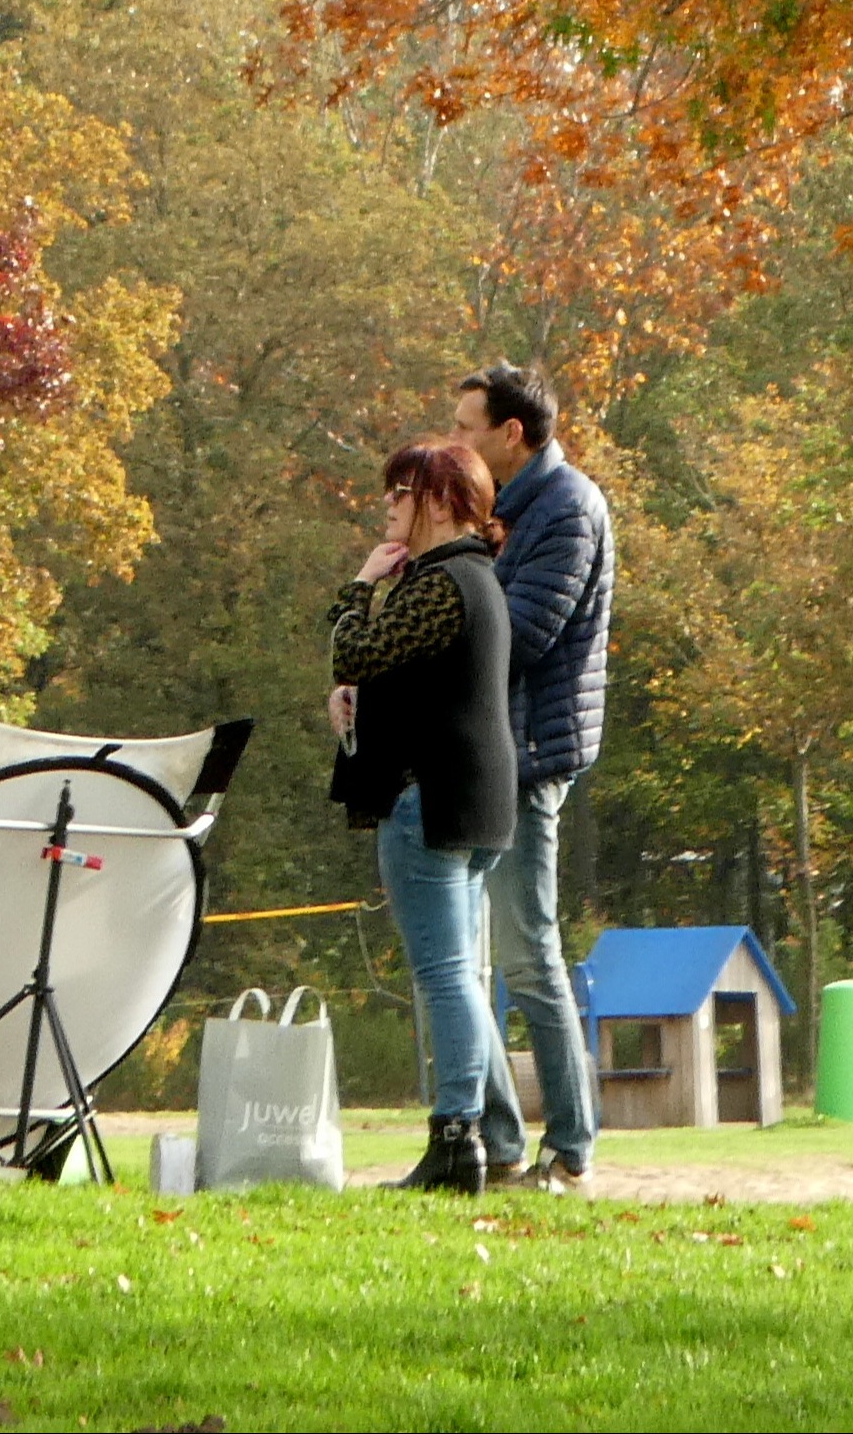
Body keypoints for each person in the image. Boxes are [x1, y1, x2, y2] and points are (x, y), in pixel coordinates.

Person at [327, 440, 516, 1194]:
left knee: (444, 976)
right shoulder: (476, 578)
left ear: (438, 502)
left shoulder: (441, 583)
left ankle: (457, 1138)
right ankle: (480, 1135)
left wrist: (359, 585)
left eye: (400, 491)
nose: (387, 503)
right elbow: (408, 680)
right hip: (474, 800)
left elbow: (355, 651)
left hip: (429, 802)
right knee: (460, 975)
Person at [449, 362, 613, 1197]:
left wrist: (433, 617)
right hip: (487, 754)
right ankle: (503, 1144)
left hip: (529, 757)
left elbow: (522, 634)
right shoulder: (505, 512)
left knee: (527, 955)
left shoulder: (568, 508)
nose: (456, 440)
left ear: (511, 434)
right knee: (460, 961)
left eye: (467, 426)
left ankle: (572, 1152)